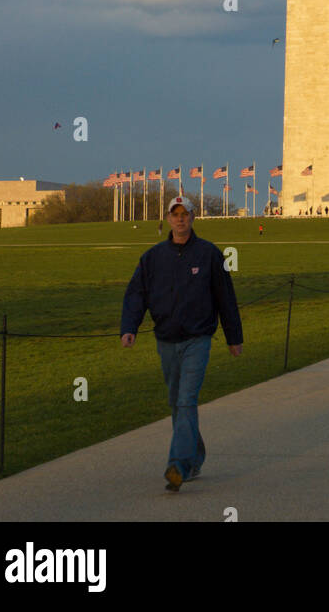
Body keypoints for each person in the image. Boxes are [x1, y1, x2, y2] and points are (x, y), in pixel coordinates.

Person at [120, 195, 243, 491]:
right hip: (166, 339)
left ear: (192, 217)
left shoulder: (209, 254)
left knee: (186, 400)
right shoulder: (153, 258)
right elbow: (137, 294)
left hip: (197, 339)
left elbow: (225, 298)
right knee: (177, 403)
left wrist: (233, 337)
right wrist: (129, 327)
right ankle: (196, 455)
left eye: (184, 214)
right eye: (174, 215)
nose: (180, 219)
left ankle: (178, 465)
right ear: (168, 218)